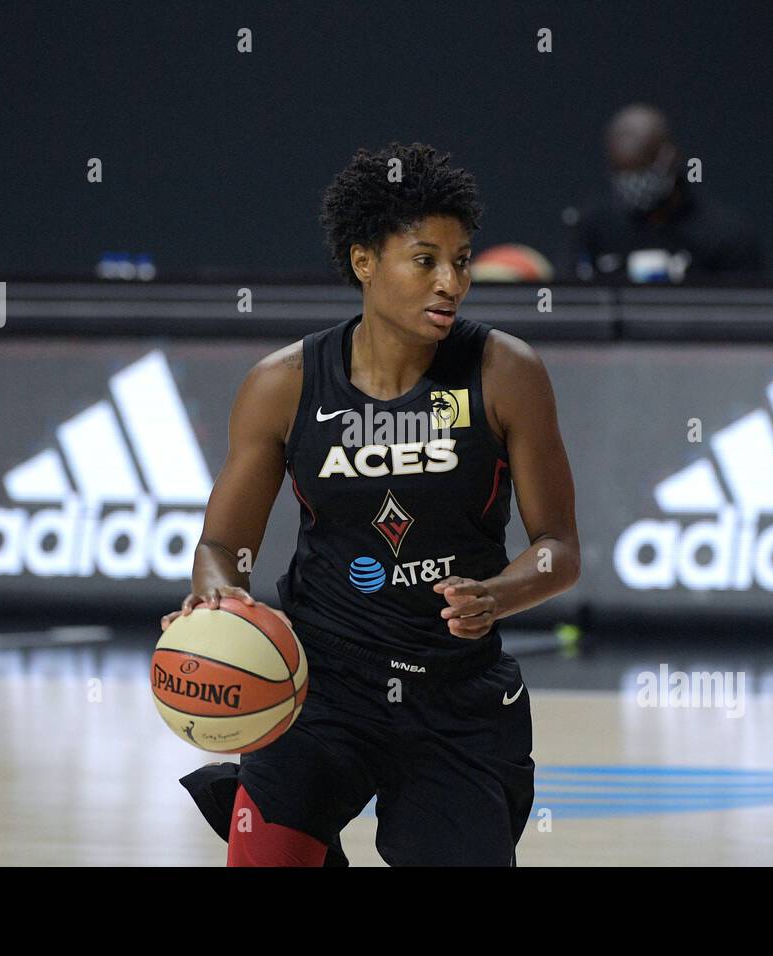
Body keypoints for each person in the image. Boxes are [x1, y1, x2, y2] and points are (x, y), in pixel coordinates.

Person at [164, 142, 581, 866]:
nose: (451, 281)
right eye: (426, 260)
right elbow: (220, 547)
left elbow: (559, 548)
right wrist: (218, 601)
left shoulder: (506, 372)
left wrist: (497, 595)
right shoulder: (285, 383)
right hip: (322, 688)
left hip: (456, 696)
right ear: (364, 262)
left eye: (462, 260)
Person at [566, 103, 761, 282]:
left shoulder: (725, 235)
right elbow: (568, 303)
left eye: (644, 173)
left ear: (671, 156)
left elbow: (744, 311)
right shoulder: (593, 230)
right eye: (625, 175)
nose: (636, 185)